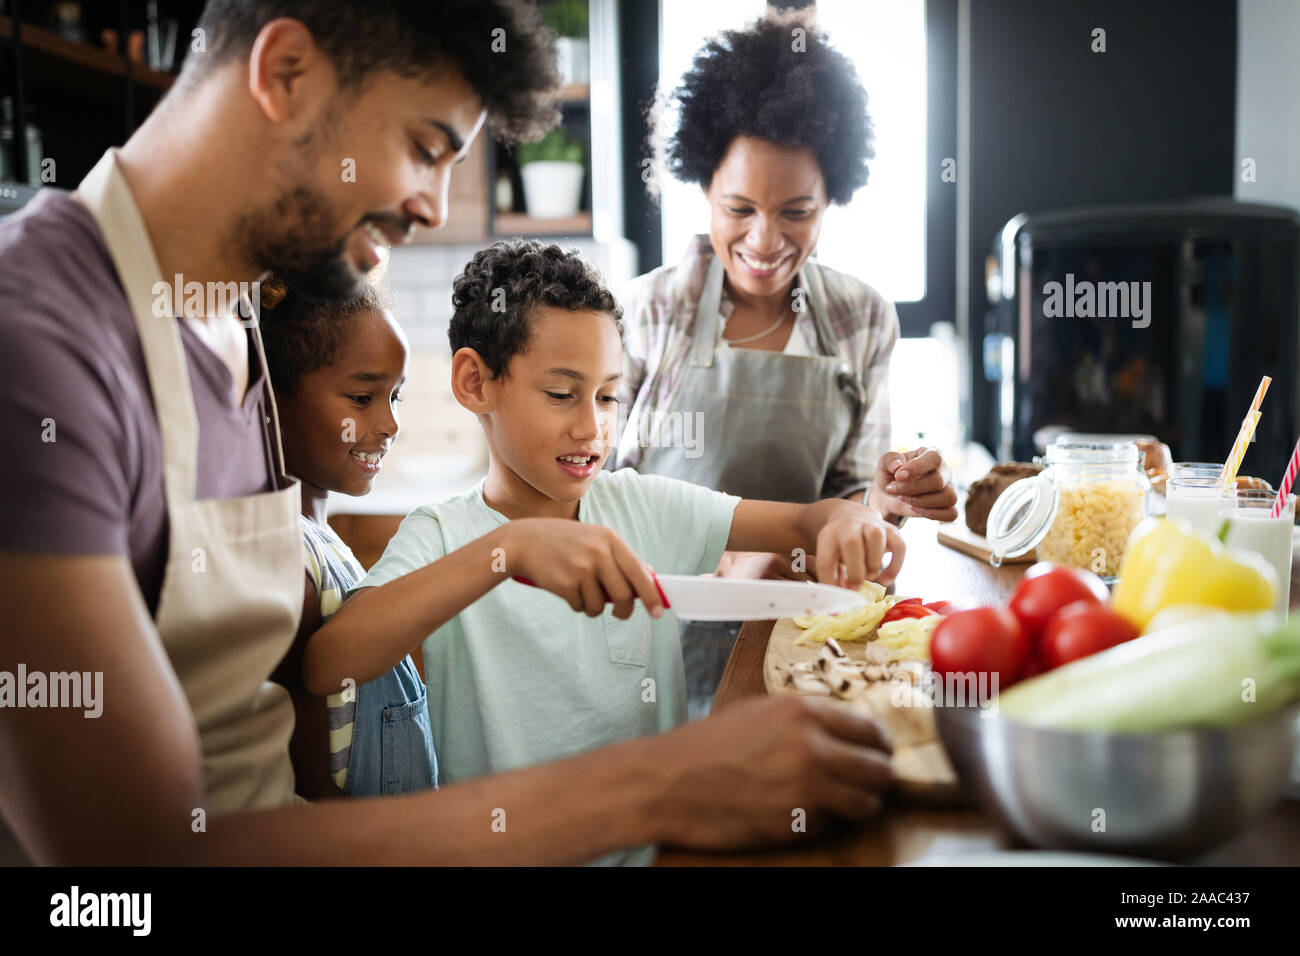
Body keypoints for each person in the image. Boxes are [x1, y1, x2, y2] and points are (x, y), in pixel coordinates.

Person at [0, 0, 893, 866]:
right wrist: (665, 786)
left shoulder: (237, 319)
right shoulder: (35, 344)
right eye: (426, 148)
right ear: (284, 74)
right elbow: (125, 863)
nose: (433, 204)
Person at [305, 240, 905, 863]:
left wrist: (848, 520)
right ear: (475, 382)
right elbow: (330, 663)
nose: (592, 427)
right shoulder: (440, 535)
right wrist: (509, 549)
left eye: (609, 396)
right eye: (563, 395)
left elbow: (808, 520)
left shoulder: (640, 506)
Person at [615, 12, 959, 716]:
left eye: (796, 210)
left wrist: (884, 506)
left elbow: (851, 497)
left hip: (806, 646)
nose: (765, 240)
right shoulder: (643, 316)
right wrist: (723, 562)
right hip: (648, 653)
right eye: (738, 207)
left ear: (832, 194)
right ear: (702, 185)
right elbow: (589, 511)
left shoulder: (861, 319)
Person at [259, 276, 437, 799]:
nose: (389, 423)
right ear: (269, 395)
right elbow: (311, 793)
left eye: (394, 397)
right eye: (362, 397)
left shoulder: (321, 542)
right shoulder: (293, 562)